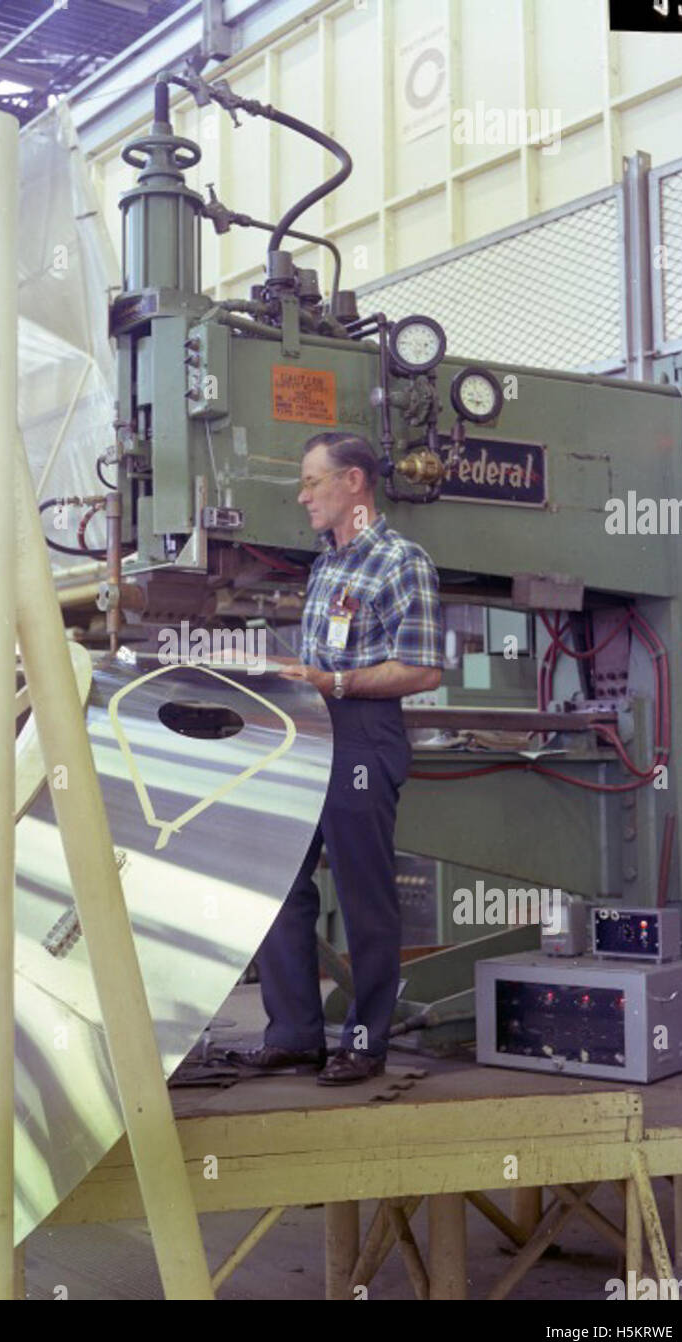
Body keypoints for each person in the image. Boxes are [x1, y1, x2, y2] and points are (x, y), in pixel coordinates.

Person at [233, 431, 444, 1085]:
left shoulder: (400, 562)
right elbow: (325, 661)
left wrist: (335, 683)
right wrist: (282, 674)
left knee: (362, 896)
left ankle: (364, 1039)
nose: (302, 496)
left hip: (360, 735)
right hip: (309, 731)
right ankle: (294, 1033)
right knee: (276, 882)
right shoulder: (326, 566)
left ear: (353, 482)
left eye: (310, 481)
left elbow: (421, 669)